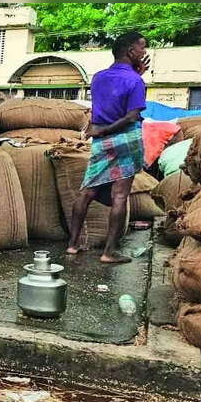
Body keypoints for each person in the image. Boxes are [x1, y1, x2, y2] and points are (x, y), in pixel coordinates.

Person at [67, 31, 150, 264]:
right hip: (126, 139)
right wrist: (137, 77)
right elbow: (132, 115)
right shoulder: (135, 81)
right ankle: (109, 252)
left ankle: (72, 246)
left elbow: (108, 103)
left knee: (87, 191)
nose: (144, 53)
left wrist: (102, 131)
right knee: (120, 195)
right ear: (131, 51)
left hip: (101, 141)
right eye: (141, 48)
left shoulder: (98, 77)